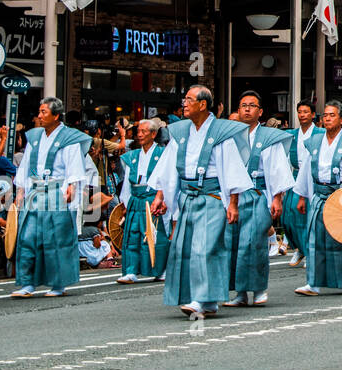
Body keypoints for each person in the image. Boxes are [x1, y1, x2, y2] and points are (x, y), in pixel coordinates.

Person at [146, 86, 253, 318]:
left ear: (203, 104)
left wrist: (233, 203)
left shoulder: (221, 132)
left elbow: (232, 168)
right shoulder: (180, 132)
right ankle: (207, 301)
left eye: (189, 100)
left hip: (211, 197)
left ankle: (200, 298)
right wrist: (160, 196)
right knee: (184, 248)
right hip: (186, 197)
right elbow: (168, 168)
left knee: (204, 249)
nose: (184, 104)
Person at [8, 98, 92, 299]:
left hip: (56, 191)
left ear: (56, 115)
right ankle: (27, 282)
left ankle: (57, 283)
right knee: (28, 237)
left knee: (55, 239)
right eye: (39, 111)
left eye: (44, 112)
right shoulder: (35, 136)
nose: (39, 116)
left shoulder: (69, 138)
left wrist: (72, 187)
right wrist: (20, 190)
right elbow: (26, 165)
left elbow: (74, 166)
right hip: (35, 191)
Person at [223, 91, 295, 308]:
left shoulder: (268, 137)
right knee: (233, 243)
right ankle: (240, 292)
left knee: (253, 243)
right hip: (232, 196)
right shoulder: (229, 136)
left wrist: (277, 198)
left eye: (251, 105)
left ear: (260, 112)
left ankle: (259, 288)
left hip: (257, 194)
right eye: (243, 105)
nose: (246, 109)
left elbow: (277, 169)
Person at [292, 100, 342, 297]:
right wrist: (302, 196)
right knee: (315, 240)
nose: (327, 118)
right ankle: (313, 282)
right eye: (325, 115)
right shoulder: (315, 142)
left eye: (332, 115)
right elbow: (307, 170)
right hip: (319, 195)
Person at [116, 117, 170, 284]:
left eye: (143, 132)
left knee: (154, 236)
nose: (139, 135)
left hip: (153, 198)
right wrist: (125, 202)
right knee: (132, 236)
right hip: (136, 198)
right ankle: (131, 270)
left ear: (153, 134)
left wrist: (165, 199)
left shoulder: (163, 153)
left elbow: (167, 179)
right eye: (138, 131)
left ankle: (159, 269)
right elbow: (127, 183)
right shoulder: (132, 155)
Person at [286, 101, 324, 268]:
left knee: (309, 214)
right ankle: (299, 247)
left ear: (313, 114)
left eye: (306, 112)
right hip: (295, 175)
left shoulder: (320, 133)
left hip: (313, 176)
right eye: (300, 112)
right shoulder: (292, 134)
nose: (302, 115)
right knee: (288, 216)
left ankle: (309, 250)